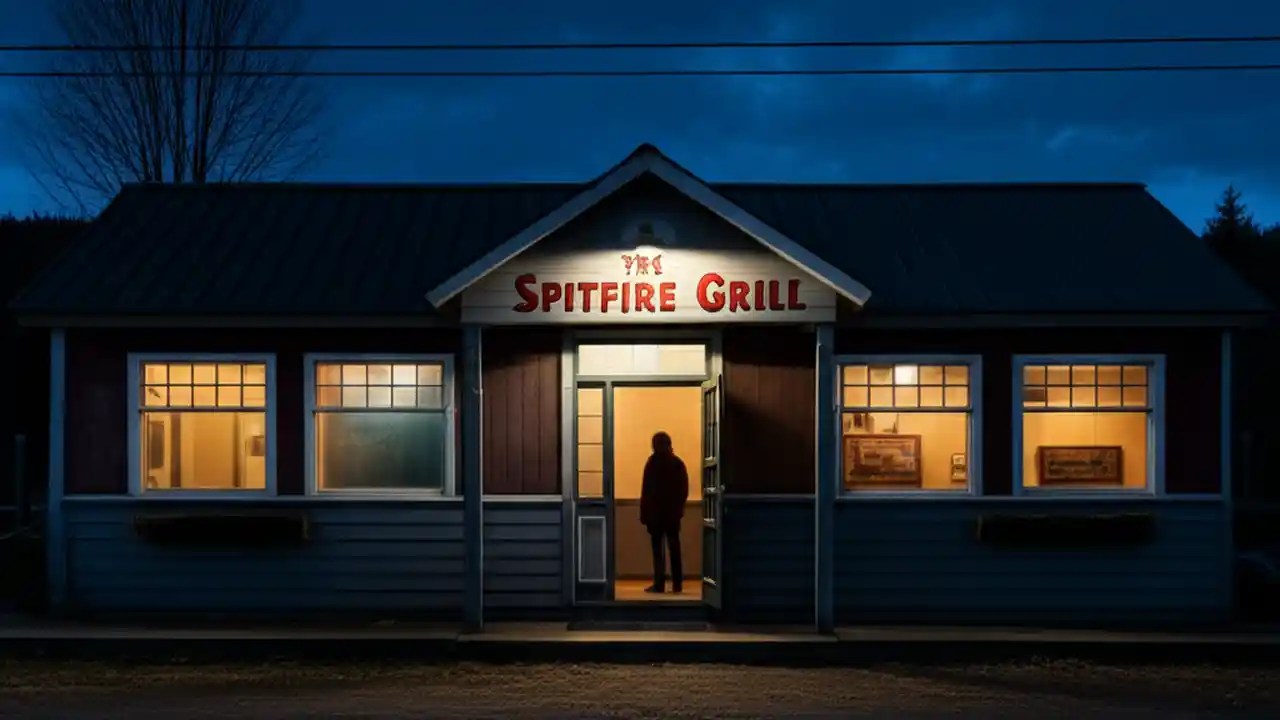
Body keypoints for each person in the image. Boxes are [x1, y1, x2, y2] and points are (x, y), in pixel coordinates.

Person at [639, 431, 689, 593]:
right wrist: (679, 508)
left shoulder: (652, 464)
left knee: (657, 550)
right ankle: (677, 583)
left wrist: (644, 514)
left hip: (655, 515)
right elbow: (684, 490)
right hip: (672, 514)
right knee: (674, 548)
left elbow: (646, 492)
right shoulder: (677, 463)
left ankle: (659, 583)